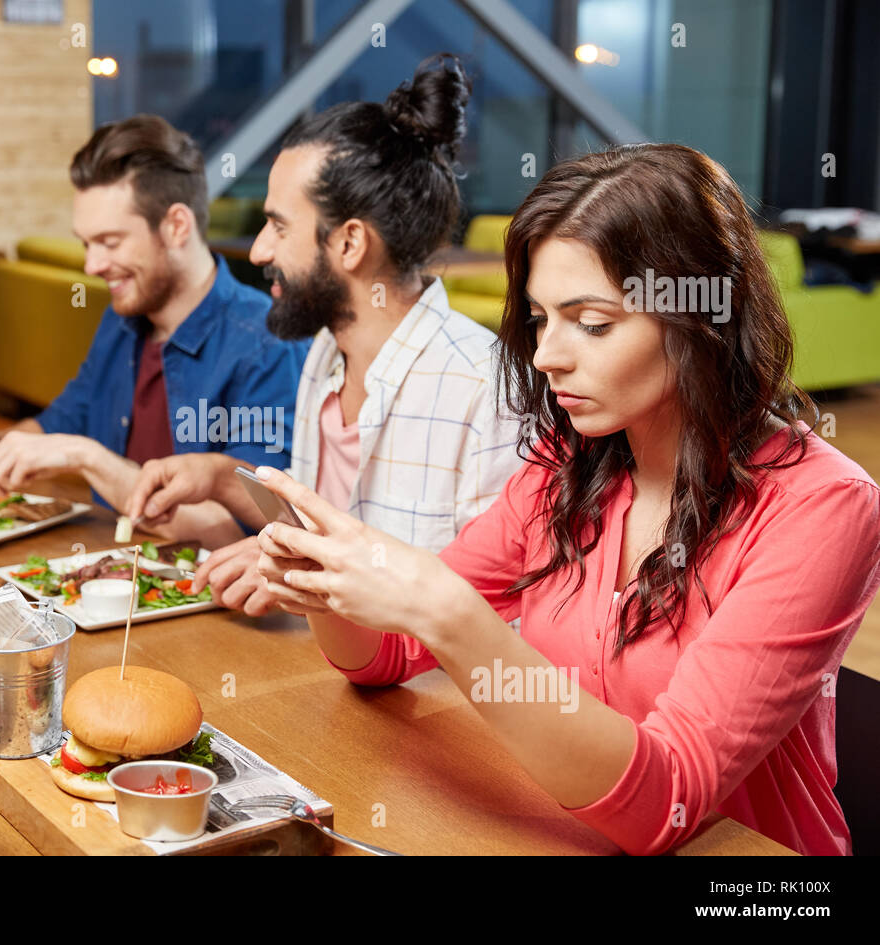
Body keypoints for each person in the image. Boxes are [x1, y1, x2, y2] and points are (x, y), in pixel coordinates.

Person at [248, 143, 880, 856]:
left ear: (703, 315)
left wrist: (452, 615)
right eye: (543, 319)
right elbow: (386, 656)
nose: (547, 354)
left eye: (593, 322)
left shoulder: (825, 507)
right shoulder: (567, 466)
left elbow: (666, 802)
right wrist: (322, 583)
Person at [125, 54, 524, 637]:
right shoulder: (325, 353)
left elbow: (498, 620)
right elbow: (322, 535)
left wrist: (311, 581)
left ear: (350, 244)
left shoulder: (486, 391)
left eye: (279, 226)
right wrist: (225, 479)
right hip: (325, 678)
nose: (259, 251)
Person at [0, 115, 307, 546]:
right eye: (86, 244)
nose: (92, 266)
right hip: (103, 575)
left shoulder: (268, 344)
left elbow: (241, 531)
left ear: (177, 227)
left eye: (110, 243)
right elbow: (60, 423)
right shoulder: (123, 319)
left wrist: (87, 457)